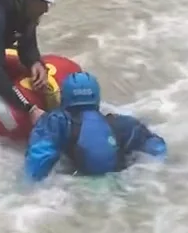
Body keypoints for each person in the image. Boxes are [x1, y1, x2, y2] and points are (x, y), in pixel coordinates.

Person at [24, 71, 167, 181]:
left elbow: (38, 162)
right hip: (120, 182)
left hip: (78, 185)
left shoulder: (56, 122)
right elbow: (157, 148)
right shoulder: (122, 124)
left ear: (64, 97)